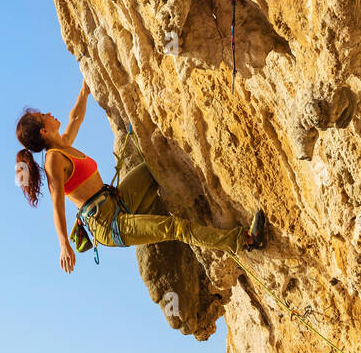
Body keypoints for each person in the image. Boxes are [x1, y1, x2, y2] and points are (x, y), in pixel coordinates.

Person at [14, 82, 267, 274]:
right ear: (44, 130)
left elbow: (75, 118)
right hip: (107, 224)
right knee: (175, 227)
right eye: (42, 116)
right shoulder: (53, 159)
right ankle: (243, 241)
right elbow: (57, 202)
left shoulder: (64, 145)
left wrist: (84, 90)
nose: (48, 112)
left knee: (154, 162)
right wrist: (63, 245)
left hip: (116, 200)